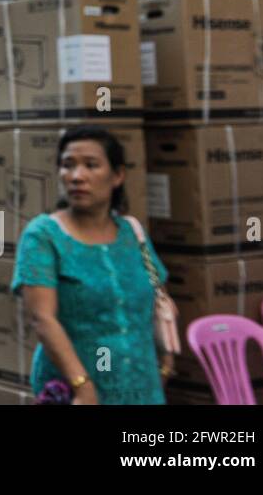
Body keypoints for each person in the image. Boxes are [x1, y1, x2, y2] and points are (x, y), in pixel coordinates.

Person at [11, 126, 173, 405]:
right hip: (77, 388)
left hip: (142, 384)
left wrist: (166, 361)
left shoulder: (133, 233)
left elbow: (159, 296)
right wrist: (82, 386)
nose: (77, 176)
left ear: (118, 175)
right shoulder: (43, 236)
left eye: (91, 165)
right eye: (67, 165)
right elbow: (42, 319)